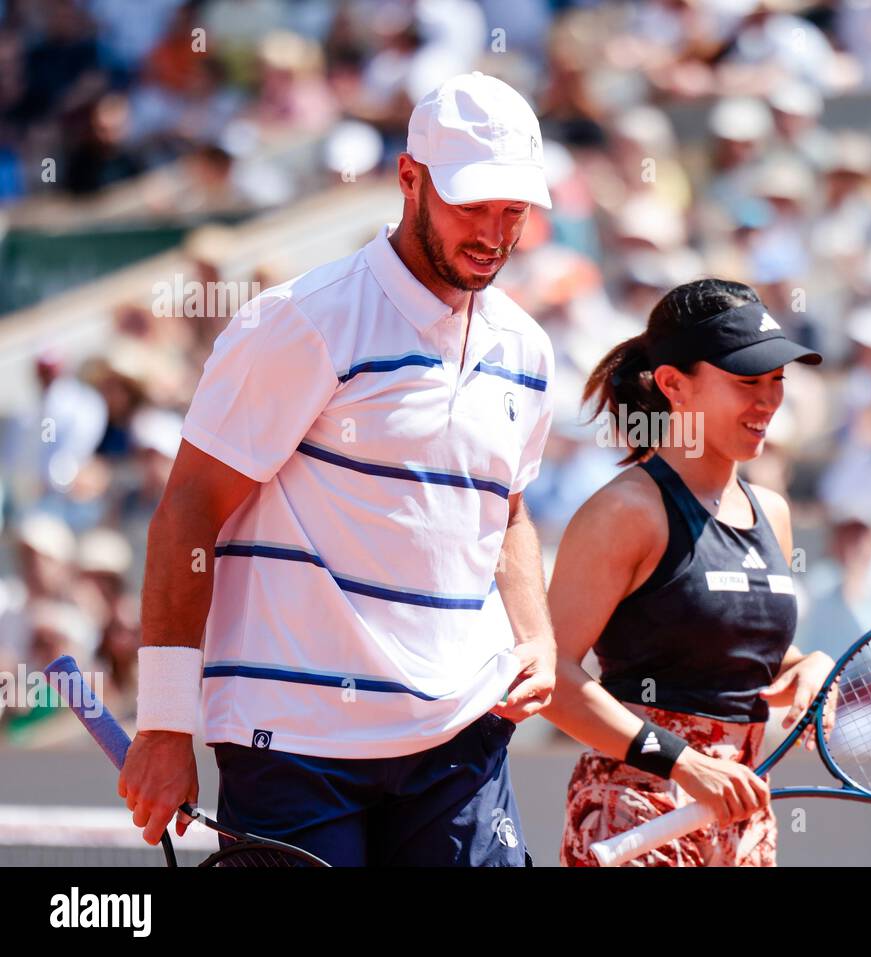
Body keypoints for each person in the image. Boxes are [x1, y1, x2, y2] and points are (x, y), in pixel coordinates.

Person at [118, 72, 558, 866]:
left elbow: (510, 513)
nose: (495, 232)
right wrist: (163, 723)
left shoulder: (529, 349)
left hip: (462, 736)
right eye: (473, 205)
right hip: (295, 743)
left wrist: (539, 636)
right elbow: (186, 512)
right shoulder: (301, 320)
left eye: (514, 210)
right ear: (408, 180)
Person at [544, 278, 834, 866]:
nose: (768, 401)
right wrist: (681, 760)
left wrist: (810, 667)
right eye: (746, 382)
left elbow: (734, 646)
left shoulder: (770, 511)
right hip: (636, 810)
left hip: (741, 814)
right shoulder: (625, 511)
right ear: (674, 384)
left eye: (777, 381)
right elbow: (548, 675)